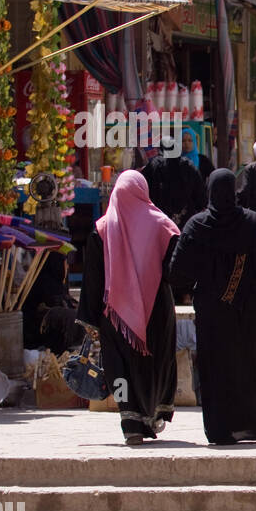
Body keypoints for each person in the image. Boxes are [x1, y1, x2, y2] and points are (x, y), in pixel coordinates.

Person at [169, 169, 256, 445]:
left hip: (214, 312)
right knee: (255, 367)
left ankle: (221, 431)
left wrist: (202, 278)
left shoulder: (196, 226)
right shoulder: (253, 222)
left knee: (216, 368)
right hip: (255, 310)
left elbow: (176, 273)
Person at [77, 171, 180, 445]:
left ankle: (130, 421)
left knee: (119, 367)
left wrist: (91, 318)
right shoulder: (162, 225)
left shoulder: (101, 229)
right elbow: (175, 270)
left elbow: (93, 279)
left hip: (116, 315)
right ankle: (154, 413)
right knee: (155, 362)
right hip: (157, 310)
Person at [141, 138, 207, 228]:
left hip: (159, 222)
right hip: (186, 222)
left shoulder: (154, 166)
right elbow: (201, 197)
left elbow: (142, 190)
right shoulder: (188, 165)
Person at [21, 252, 79, 354]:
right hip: (36, 340)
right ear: (57, 264)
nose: (68, 266)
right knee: (70, 317)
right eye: (66, 263)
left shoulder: (56, 283)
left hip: (42, 338)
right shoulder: (44, 284)